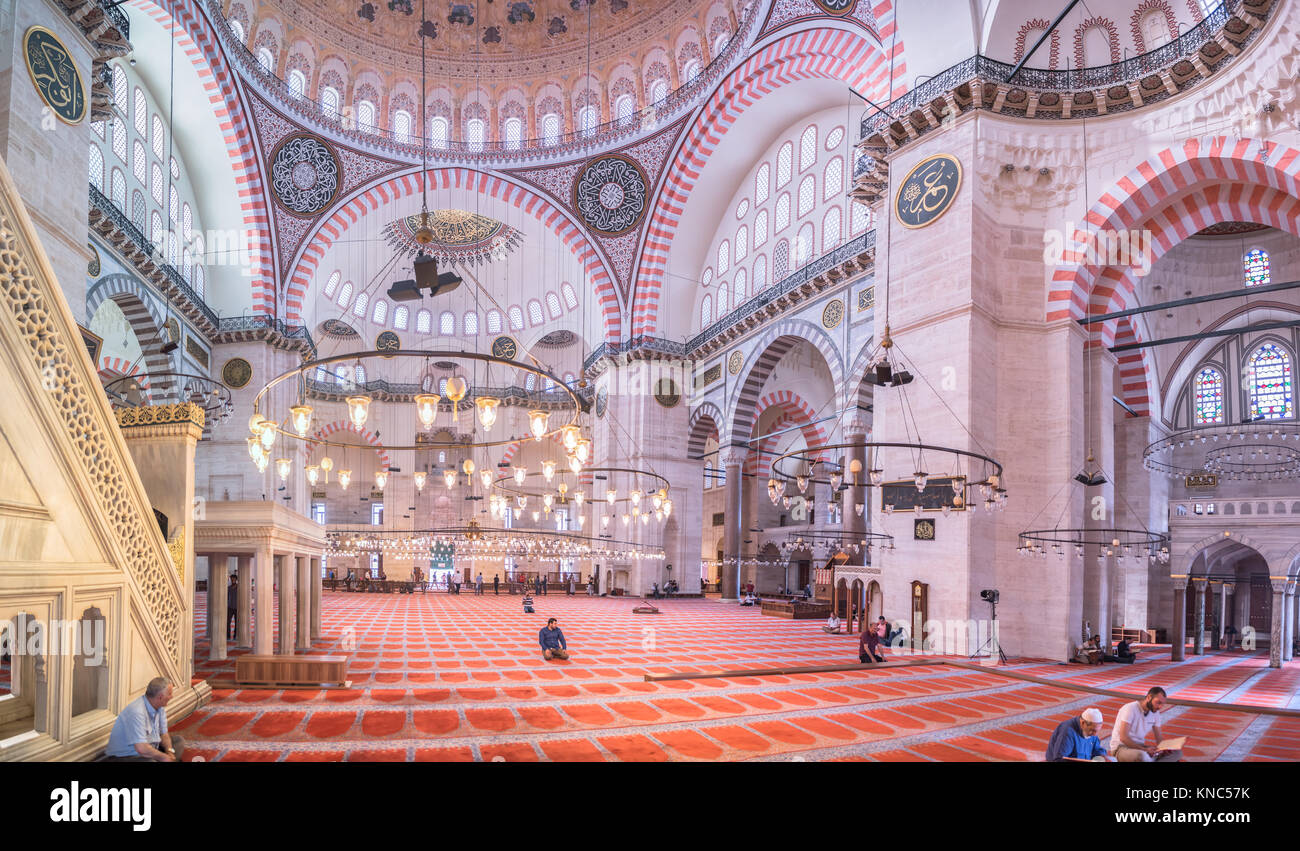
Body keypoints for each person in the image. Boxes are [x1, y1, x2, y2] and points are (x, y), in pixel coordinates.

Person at [103, 677, 184, 762]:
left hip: (149, 749)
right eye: (170, 694)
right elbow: (141, 749)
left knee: (178, 741)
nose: (172, 697)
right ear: (160, 697)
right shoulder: (137, 711)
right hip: (128, 756)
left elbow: (164, 734)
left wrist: (169, 751)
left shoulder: (160, 707)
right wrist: (164, 757)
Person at [1110, 687, 1182, 762]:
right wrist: (1145, 749)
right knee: (1142, 756)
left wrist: (1165, 748)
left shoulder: (1155, 713)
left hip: (1140, 747)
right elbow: (1123, 738)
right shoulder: (1130, 708)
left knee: (1177, 753)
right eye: (1158, 702)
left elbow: (1159, 739)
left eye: (1162, 704)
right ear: (1149, 697)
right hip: (1121, 748)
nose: (1160, 707)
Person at [226, 574, 238, 641]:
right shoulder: (229, 588)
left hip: (237, 608)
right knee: (228, 622)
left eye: (234, 579)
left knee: (237, 623)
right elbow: (227, 597)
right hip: (230, 607)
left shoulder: (239, 588)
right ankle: (228, 636)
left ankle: (235, 636)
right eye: (232, 579)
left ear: (236, 579)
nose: (233, 580)